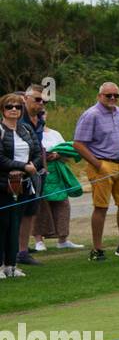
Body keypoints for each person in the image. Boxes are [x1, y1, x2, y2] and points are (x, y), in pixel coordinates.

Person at [73, 82, 119, 261]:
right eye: (109, 95)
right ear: (100, 96)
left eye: (116, 95)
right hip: (101, 164)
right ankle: (97, 248)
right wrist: (97, 164)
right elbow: (78, 143)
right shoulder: (91, 115)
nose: (113, 98)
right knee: (101, 207)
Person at [1, 93, 41, 279]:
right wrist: (21, 166)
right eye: (10, 107)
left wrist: (31, 167)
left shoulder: (26, 129)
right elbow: (1, 158)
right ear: (3, 110)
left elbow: (37, 152)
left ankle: (11, 265)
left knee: (15, 224)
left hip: (24, 184)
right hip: (3, 184)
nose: (14, 110)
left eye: (17, 107)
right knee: (3, 225)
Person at [32, 112, 82, 252]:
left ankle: (63, 239)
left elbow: (66, 151)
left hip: (57, 172)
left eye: (43, 113)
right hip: (40, 171)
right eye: (38, 114)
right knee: (41, 205)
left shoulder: (55, 133)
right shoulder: (31, 132)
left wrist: (58, 154)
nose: (40, 116)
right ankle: (39, 240)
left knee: (62, 204)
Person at [15, 85, 48, 266]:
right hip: (19, 171)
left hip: (37, 171)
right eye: (37, 99)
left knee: (30, 212)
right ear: (25, 99)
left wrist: (43, 166)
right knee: (14, 212)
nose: (41, 103)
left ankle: (23, 251)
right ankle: (9, 252)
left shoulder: (40, 119)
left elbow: (40, 146)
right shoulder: (17, 118)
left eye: (43, 100)